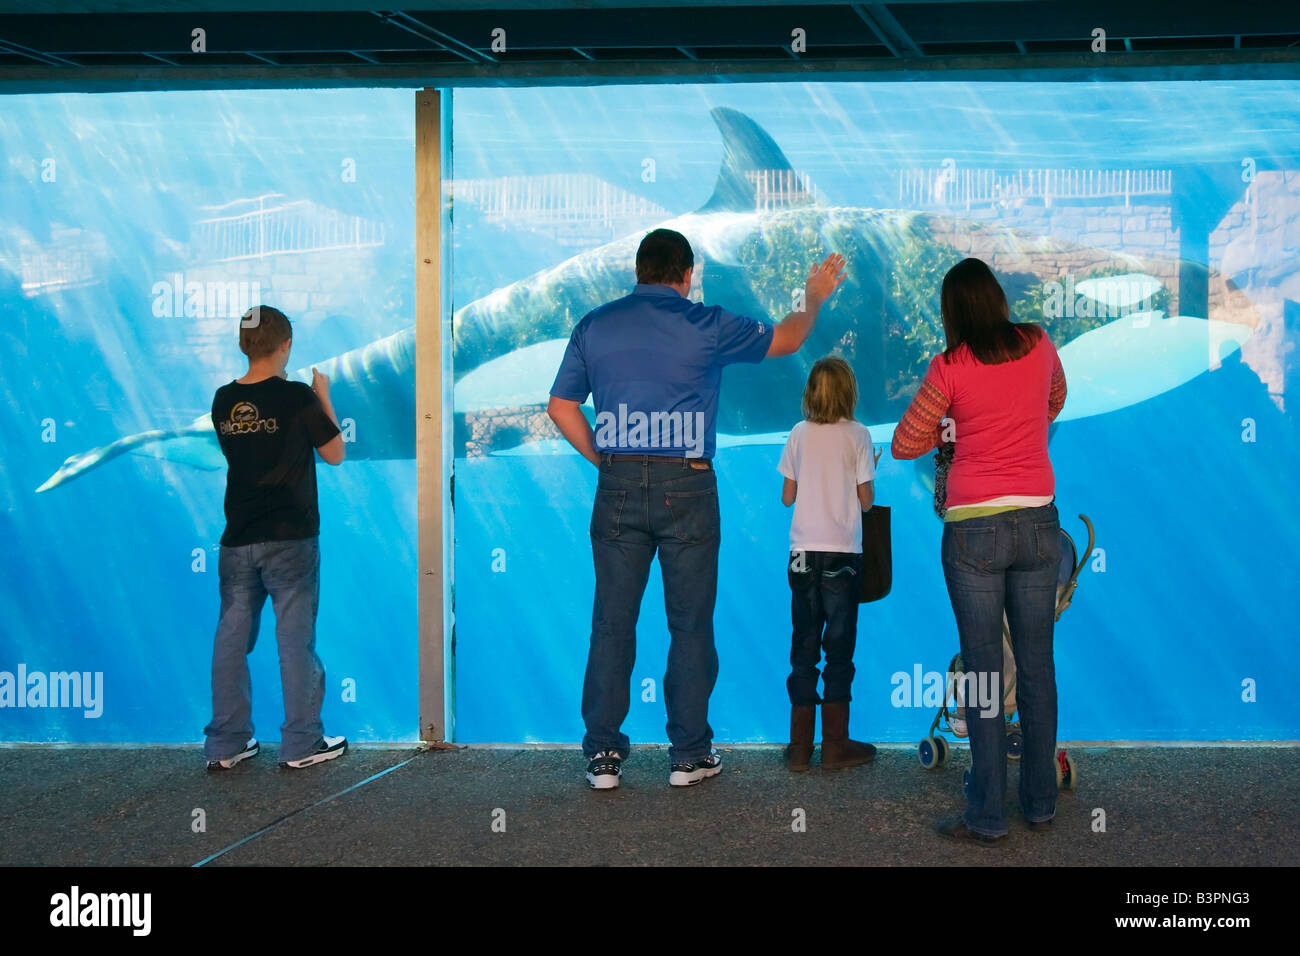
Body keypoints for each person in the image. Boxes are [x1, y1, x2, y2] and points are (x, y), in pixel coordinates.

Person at [548, 228, 846, 790]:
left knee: (612, 625)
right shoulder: (707, 325)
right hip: (686, 487)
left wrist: (606, 461)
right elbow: (786, 339)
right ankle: (688, 755)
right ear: (686, 276)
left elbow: (560, 406)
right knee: (689, 625)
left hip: (616, 484)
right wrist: (812, 296)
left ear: (638, 272)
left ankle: (603, 759)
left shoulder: (594, 325)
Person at [891, 258, 1067, 844]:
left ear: (953, 312)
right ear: (996, 299)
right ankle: (1040, 802)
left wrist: (960, 427)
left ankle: (988, 815)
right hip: (1041, 524)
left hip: (973, 534)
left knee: (984, 676)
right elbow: (1056, 399)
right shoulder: (1040, 343)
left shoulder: (950, 367)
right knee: (1037, 668)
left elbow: (903, 443)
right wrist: (1017, 425)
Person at [203, 305, 349, 772]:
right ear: (286, 345)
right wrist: (322, 396)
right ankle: (302, 742)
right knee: (294, 640)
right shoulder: (296, 397)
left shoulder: (223, 399)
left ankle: (226, 745)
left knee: (231, 638)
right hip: (290, 539)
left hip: (237, 540)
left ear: (243, 346)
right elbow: (335, 454)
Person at [777, 356, 881, 772]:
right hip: (842, 553)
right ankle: (835, 746)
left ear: (810, 394)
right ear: (849, 393)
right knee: (839, 649)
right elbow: (867, 501)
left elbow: (787, 497)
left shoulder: (798, 434)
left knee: (804, 646)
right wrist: (870, 465)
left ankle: (799, 748)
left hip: (802, 552)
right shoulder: (858, 435)